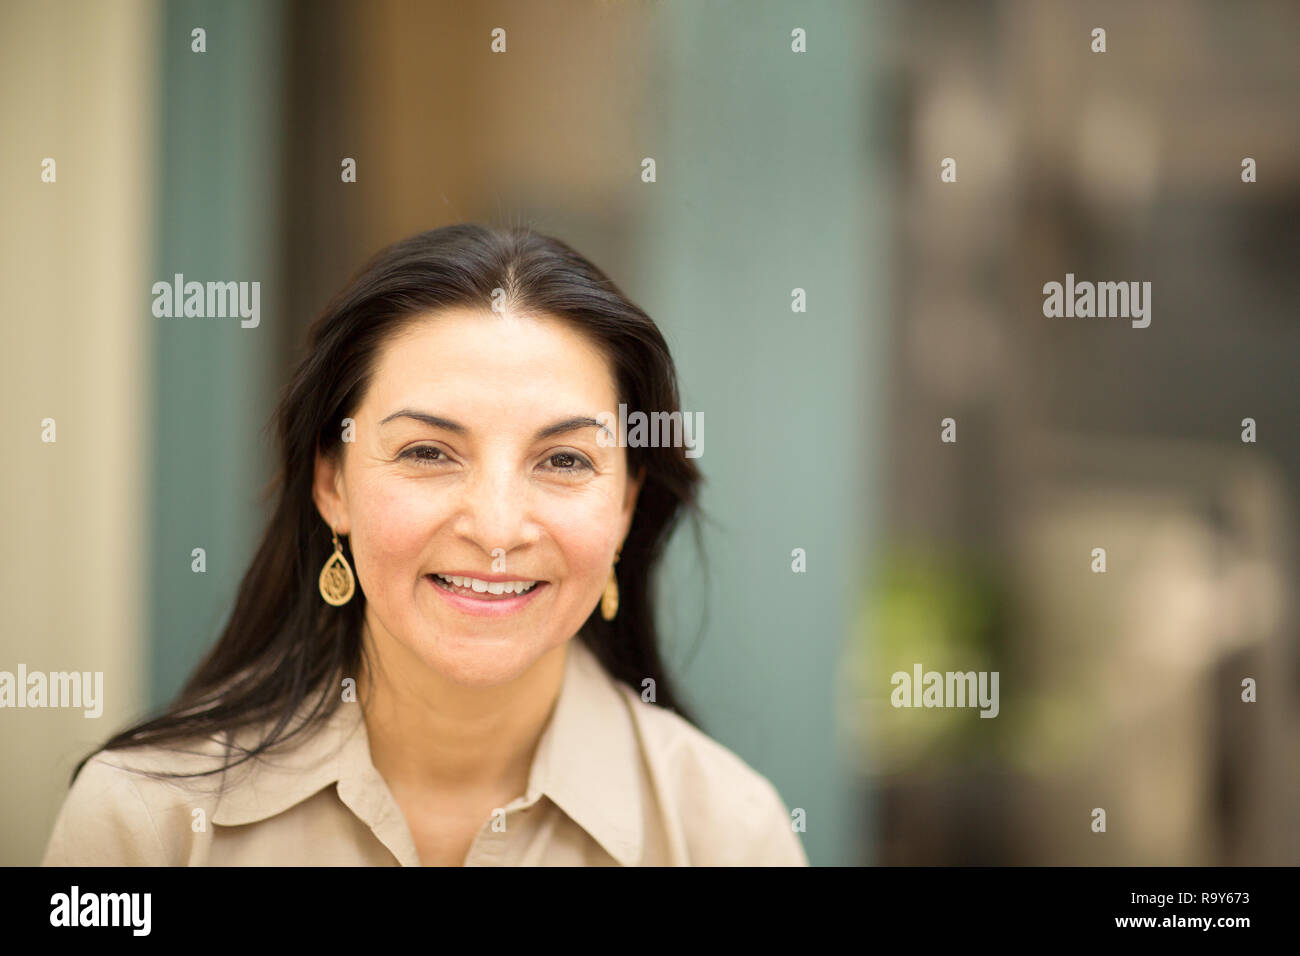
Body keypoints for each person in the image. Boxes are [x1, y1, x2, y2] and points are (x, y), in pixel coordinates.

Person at [41, 223, 809, 866]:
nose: (498, 528)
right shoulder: (145, 822)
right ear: (331, 482)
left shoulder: (730, 835)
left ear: (626, 505)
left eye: (565, 460)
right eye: (427, 452)